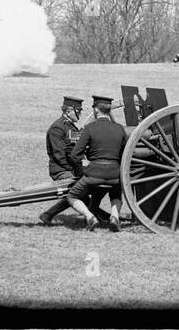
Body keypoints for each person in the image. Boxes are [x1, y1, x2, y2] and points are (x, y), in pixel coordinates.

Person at [64, 94, 127, 232]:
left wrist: (81, 172)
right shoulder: (120, 129)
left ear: (96, 110)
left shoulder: (89, 129)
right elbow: (125, 155)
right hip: (115, 175)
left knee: (72, 196)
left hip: (93, 174)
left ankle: (90, 217)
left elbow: (75, 156)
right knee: (116, 193)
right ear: (109, 110)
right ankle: (115, 216)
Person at [38, 95, 98, 227]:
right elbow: (59, 155)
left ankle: (48, 215)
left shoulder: (71, 127)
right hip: (61, 170)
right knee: (79, 188)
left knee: (83, 188)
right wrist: (75, 171)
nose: (80, 114)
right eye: (79, 111)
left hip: (72, 169)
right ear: (69, 111)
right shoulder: (57, 128)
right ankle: (96, 215)